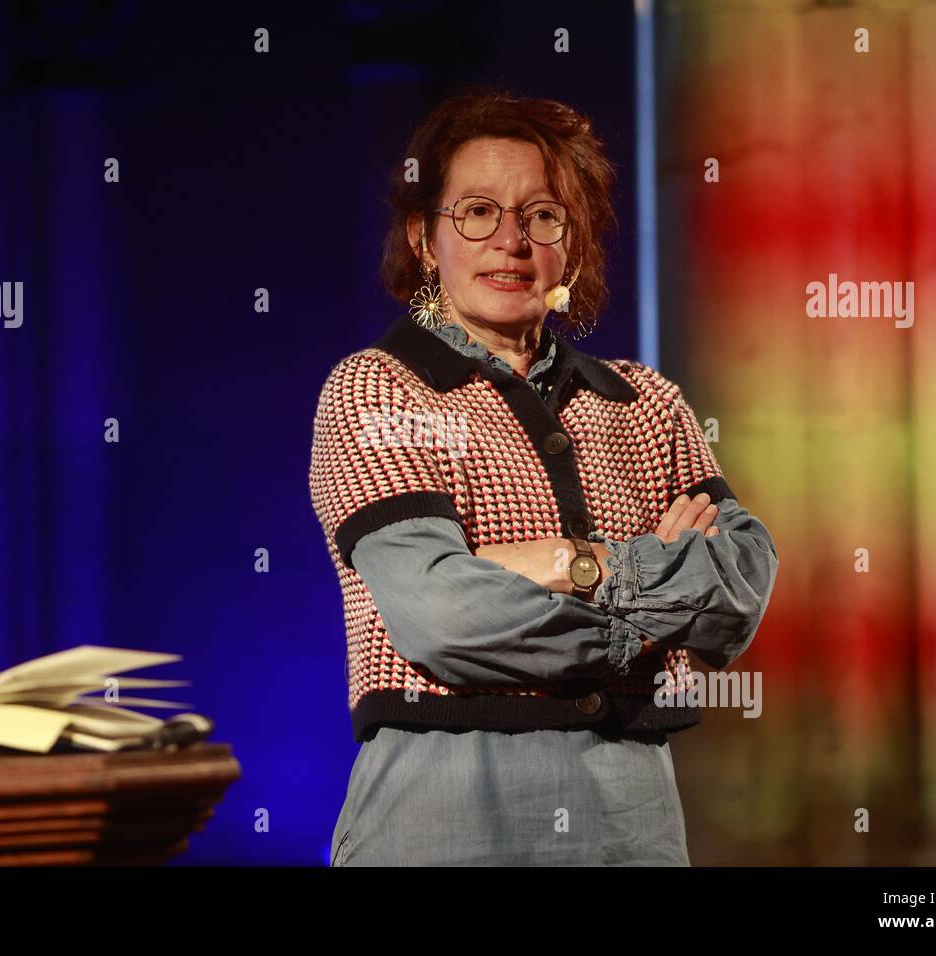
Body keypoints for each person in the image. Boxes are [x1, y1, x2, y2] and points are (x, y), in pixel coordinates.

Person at [308, 88, 779, 866]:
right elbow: (445, 618)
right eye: (478, 212)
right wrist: (652, 611)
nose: (511, 242)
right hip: (449, 815)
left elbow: (740, 586)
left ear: (575, 244)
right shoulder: (378, 388)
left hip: (633, 822)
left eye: (543, 216)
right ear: (427, 238)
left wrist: (568, 565)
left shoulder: (644, 401)